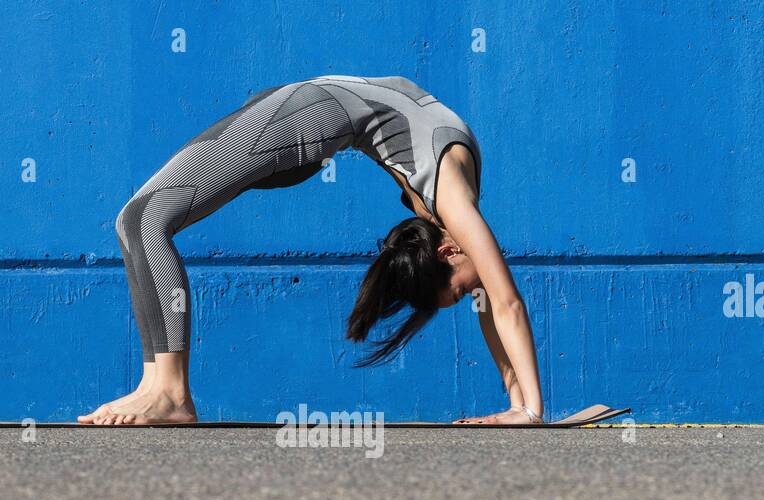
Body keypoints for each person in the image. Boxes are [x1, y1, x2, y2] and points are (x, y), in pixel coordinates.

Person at [80, 75, 543, 426]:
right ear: (446, 252)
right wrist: (534, 411)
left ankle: (157, 383)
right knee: (143, 219)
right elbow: (506, 302)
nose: (470, 292)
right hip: (309, 112)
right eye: (460, 293)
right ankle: (169, 389)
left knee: (136, 222)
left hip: (314, 107)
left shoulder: (451, 209)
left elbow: (491, 304)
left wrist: (517, 402)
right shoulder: (455, 205)